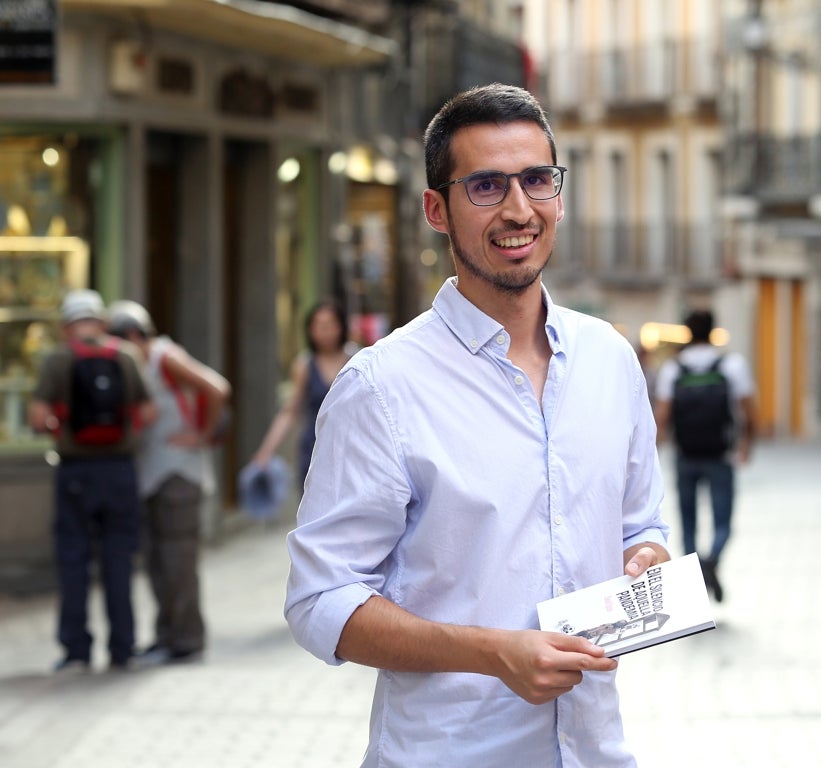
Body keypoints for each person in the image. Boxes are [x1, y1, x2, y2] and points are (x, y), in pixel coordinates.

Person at [283, 84, 671, 767]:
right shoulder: (382, 388)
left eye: (536, 180)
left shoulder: (610, 360)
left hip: (594, 752)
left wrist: (646, 562)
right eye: (487, 186)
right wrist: (492, 653)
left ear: (559, 192)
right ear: (437, 209)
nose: (519, 210)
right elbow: (321, 600)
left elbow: (642, 527)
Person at [28, 289, 155, 672]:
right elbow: (147, 412)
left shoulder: (57, 359)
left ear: (67, 325)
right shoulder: (126, 356)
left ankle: (77, 650)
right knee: (119, 559)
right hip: (119, 471)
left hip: (75, 473)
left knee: (74, 560)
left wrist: (60, 429)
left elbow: (37, 418)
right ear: (100, 321)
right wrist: (123, 433)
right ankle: (122, 648)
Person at [107, 300, 231, 665]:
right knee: (159, 562)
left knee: (177, 561)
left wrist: (201, 436)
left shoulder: (163, 355)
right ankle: (167, 635)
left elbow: (216, 388)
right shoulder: (137, 364)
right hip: (152, 476)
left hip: (178, 475)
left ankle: (186, 639)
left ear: (133, 335)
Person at [653, 309, 756, 603]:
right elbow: (749, 411)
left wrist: (653, 454)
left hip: (685, 454)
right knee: (723, 520)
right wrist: (748, 444)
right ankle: (711, 560)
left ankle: (695, 576)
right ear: (713, 331)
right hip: (720, 454)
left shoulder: (674, 369)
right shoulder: (731, 365)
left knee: (688, 520)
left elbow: (661, 416)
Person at [251, 301, 351, 491]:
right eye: (319, 326)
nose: (325, 331)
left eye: (330, 324)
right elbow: (289, 412)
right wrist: (266, 451)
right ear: (310, 330)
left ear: (341, 326)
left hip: (351, 448)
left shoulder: (356, 360)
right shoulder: (304, 365)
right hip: (314, 449)